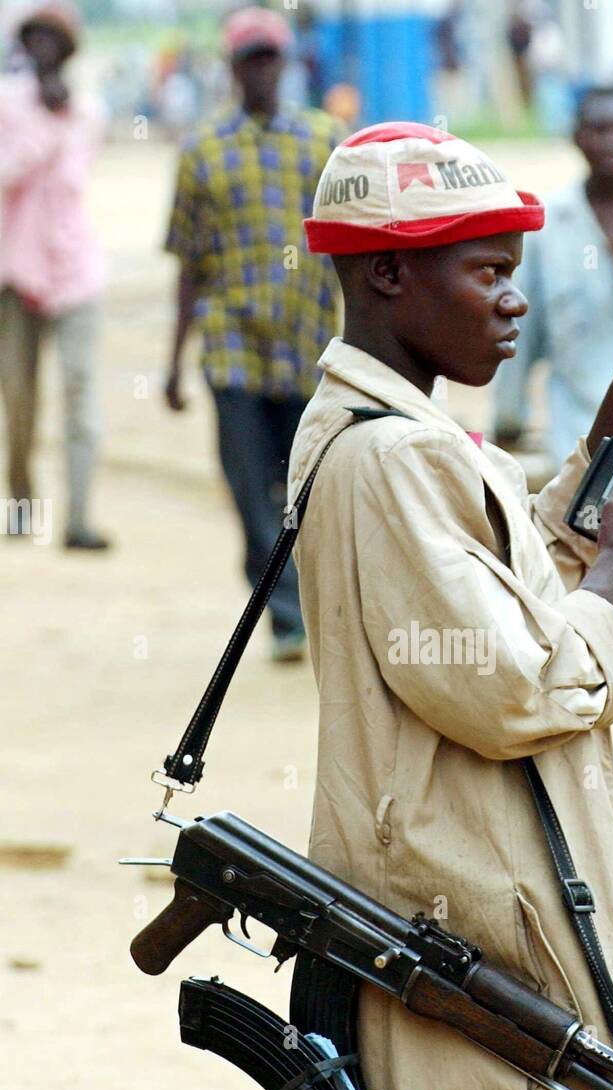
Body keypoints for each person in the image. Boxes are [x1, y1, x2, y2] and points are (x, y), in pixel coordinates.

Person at [280, 121, 613, 1090]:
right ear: (386, 275)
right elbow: (513, 686)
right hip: (478, 931)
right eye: (486, 273)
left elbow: (519, 570)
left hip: (489, 924)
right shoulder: (382, 461)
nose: (512, 303)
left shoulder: (410, 438)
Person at [164, 7, 343, 662]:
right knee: (249, 491)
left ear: (286, 61)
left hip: (309, 348)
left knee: (307, 488)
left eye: (270, 56)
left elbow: (353, 249)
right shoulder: (202, 152)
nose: (261, 68)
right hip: (232, 349)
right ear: (233, 67)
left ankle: (320, 607)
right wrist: (173, 364)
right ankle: (286, 613)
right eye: (249, 58)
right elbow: (189, 260)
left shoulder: (328, 142)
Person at [494, 85, 613, 469]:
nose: (612, 141)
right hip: (574, 432)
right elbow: (522, 325)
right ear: (577, 137)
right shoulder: (549, 221)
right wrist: (508, 417)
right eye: (599, 129)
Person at [0, 1, 108, 550]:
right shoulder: (7, 105)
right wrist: (42, 125)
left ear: (67, 50)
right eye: (35, 39)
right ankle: (19, 505)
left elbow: (73, 183)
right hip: (16, 274)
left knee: (81, 392)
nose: (44, 50)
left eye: (53, 41)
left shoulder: (88, 112)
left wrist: (62, 116)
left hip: (75, 272)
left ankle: (79, 519)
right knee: (18, 397)